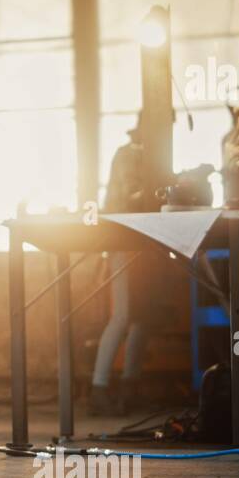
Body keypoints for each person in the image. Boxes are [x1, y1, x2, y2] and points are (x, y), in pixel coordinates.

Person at [91, 119, 157, 415]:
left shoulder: (146, 156)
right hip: (122, 236)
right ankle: (99, 389)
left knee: (143, 317)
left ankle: (130, 387)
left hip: (143, 241)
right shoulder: (130, 154)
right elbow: (134, 194)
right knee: (122, 315)